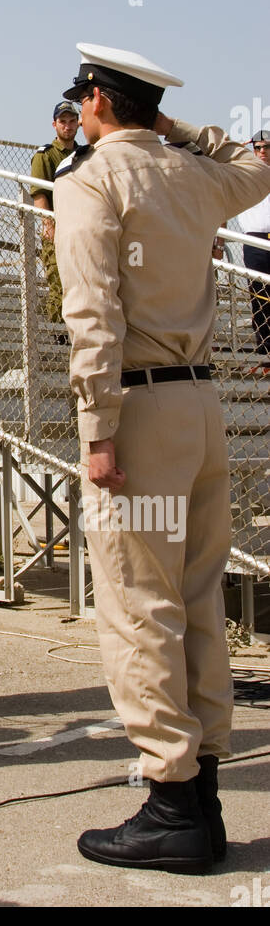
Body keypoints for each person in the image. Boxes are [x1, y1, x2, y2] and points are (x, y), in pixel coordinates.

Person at [54, 43, 270, 874]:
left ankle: (170, 801)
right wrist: (174, 128)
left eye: (85, 97)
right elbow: (255, 166)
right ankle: (203, 791)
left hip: (139, 413)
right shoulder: (192, 174)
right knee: (196, 598)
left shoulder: (91, 183)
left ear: (99, 101)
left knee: (141, 605)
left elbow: (93, 316)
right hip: (199, 408)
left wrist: (98, 431)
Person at [29, 102, 80, 327]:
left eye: (71, 121)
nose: (67, 126)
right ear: (54, 125)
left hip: (81, 227)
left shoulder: (85, 154)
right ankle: (59, 335)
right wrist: (49, 225)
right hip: (58, 228)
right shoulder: (46, 156)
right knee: (59, 282)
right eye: (62, 122)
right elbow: (39, 194)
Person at [234, 129, 270, 368]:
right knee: (260, 296)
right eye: (257, 147)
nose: (263, 152)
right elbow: (216, 157)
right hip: (255, 241)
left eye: (267, 147)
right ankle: (265, 351)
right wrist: (241, 145)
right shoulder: (243, 172)